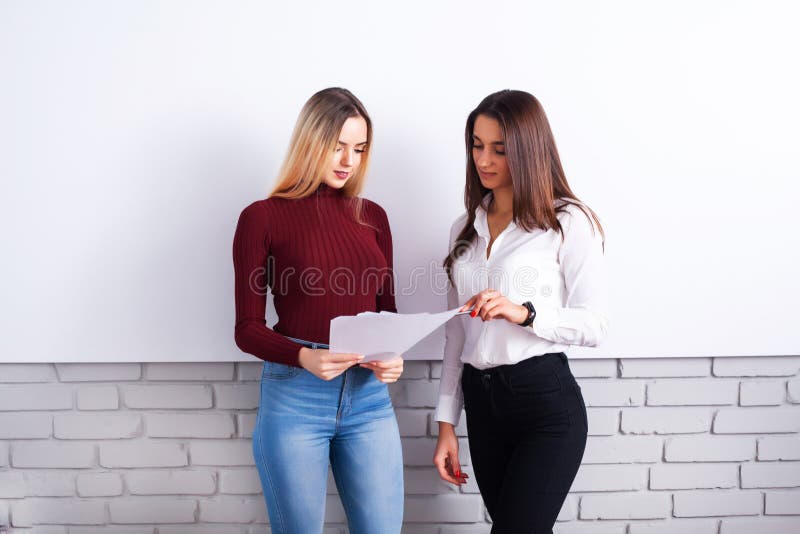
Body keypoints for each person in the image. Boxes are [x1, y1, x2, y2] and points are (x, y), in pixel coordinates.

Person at [432, 89, 608, 533]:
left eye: (500, 148)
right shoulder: (463, 229)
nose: (484, 159)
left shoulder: (567, 222)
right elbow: (456, 336)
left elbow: (594, 324)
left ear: (528, 150)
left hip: (544, 404)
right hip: (483, 406)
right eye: (477, 144)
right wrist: (446, 424)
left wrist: (526, 313)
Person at [232, 87, 404, 534]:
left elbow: (387, 310)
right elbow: (247, 329)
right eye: (337, 145)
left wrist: (392, 354)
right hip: (295, 399)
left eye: (359, 148)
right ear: (311, 141)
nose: (348, 159)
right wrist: (303, 356)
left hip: (368, 397)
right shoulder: (262, 217)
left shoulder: (374, 217)